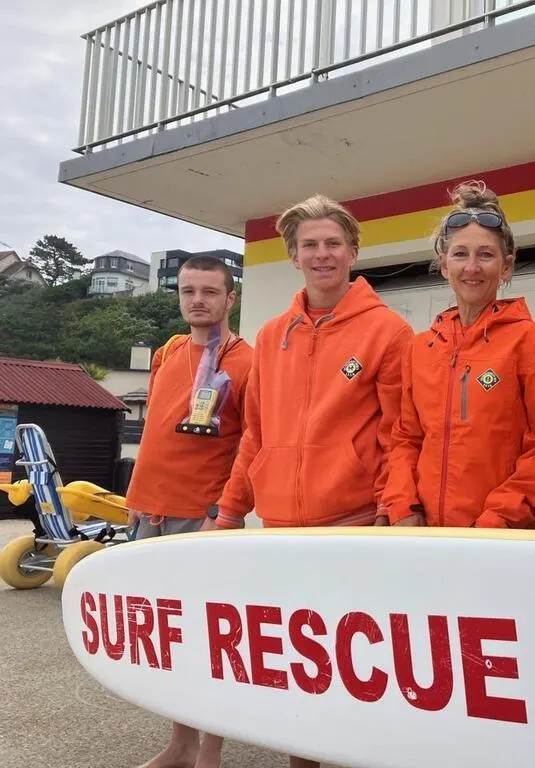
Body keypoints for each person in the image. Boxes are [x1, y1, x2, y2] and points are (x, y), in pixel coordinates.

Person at [209, 194, 412, 768]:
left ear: (352, 251)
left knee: (356, 669)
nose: (322, 255)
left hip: (351, 525)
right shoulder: (272, 335)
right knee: (300, 669)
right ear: (294, 257)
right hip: (279, 530)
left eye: (332, 244)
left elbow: (400, 435)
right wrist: (228, 511)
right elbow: (255, 433)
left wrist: (389, 510)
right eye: (309, 246)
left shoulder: (388, 332)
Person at [125, 255, 253, 768]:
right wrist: (136, 506)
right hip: (147, 515)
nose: (197, 300)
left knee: (209, 643)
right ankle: (179, 743)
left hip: (199, 519)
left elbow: (251, 445)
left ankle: (210, 753)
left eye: (209, 291)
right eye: (187, 291)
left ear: (231, 299)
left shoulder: (246, 361)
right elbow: (159, 431)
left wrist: (222, 511)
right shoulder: (169, 352)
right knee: (169, 643)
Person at [381, 181, 535, 528]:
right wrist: (403, 506)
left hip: (498, 538)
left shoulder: (530, 341)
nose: (472, 267)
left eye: (486, 255)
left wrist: (498, 519)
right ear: (443, 265)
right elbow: (406, 438)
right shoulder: (420, 348)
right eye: (460, 254)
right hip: (424, 535)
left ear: (506, 266)